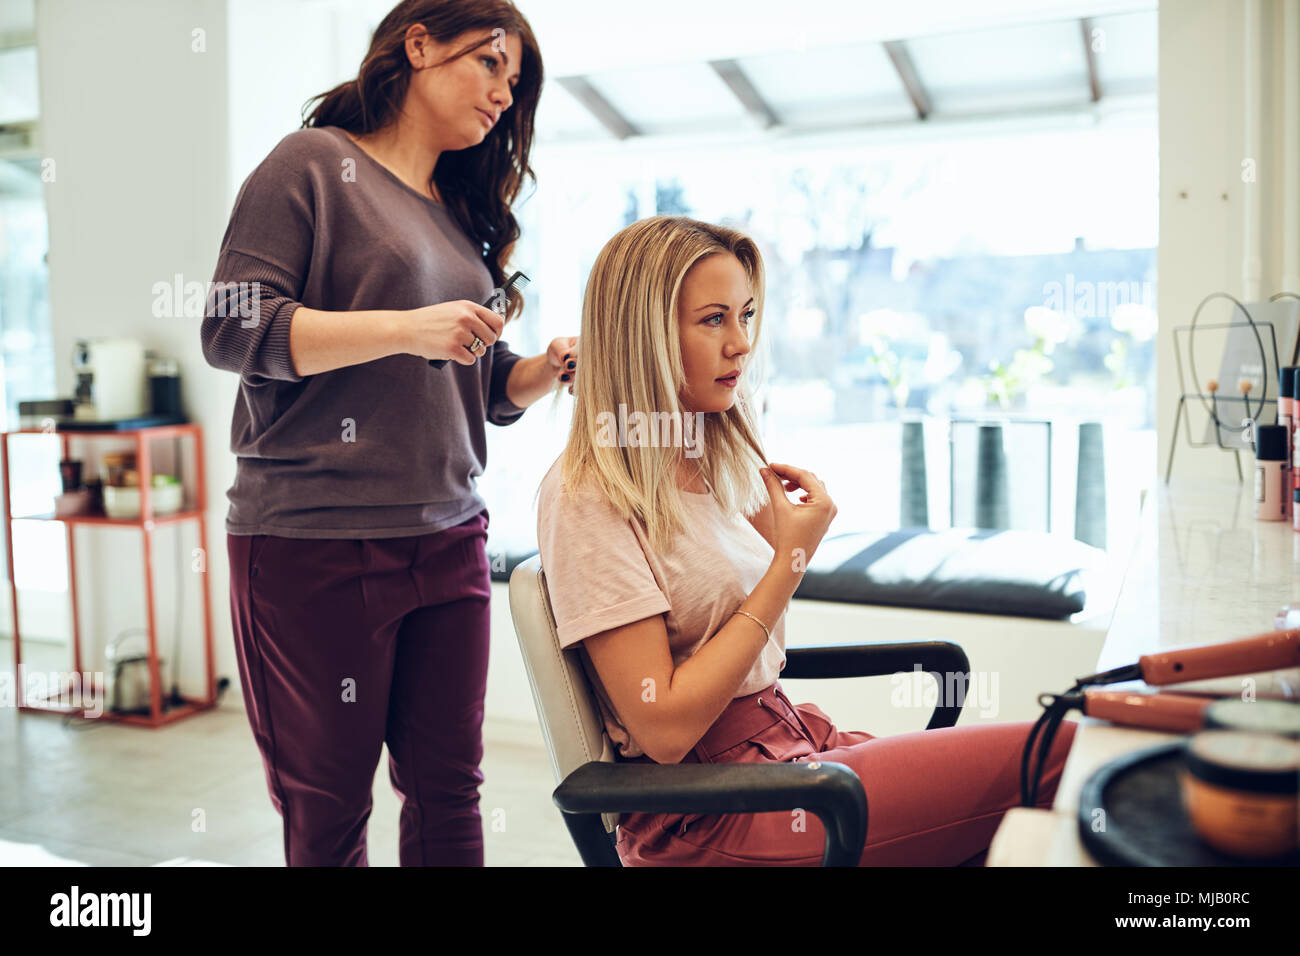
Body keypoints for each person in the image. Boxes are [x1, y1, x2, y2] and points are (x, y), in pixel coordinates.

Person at [535, 216, 1077, 866]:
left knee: (1050, 772)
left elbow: (729, 624)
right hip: (714, 812)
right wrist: (787, 564)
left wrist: (759, 502)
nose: (740, 344)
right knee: (1062, 754)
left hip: (789, 749)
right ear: (641, 334)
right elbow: (667, 726)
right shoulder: (588, 495)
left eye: (746, 315)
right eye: (713, 320)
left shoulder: (700, 456)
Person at [200, 0, 576, 867]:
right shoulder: (311, 165)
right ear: (419, 44)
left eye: (514, 85)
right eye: (490, 64)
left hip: (448, 539)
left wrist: (539, 370)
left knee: (450, 792)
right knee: (328, 808)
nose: (502, 96)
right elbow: (230, 329)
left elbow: (474, 382)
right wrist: (407, 326)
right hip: (313, 544)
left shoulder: (453, 208)